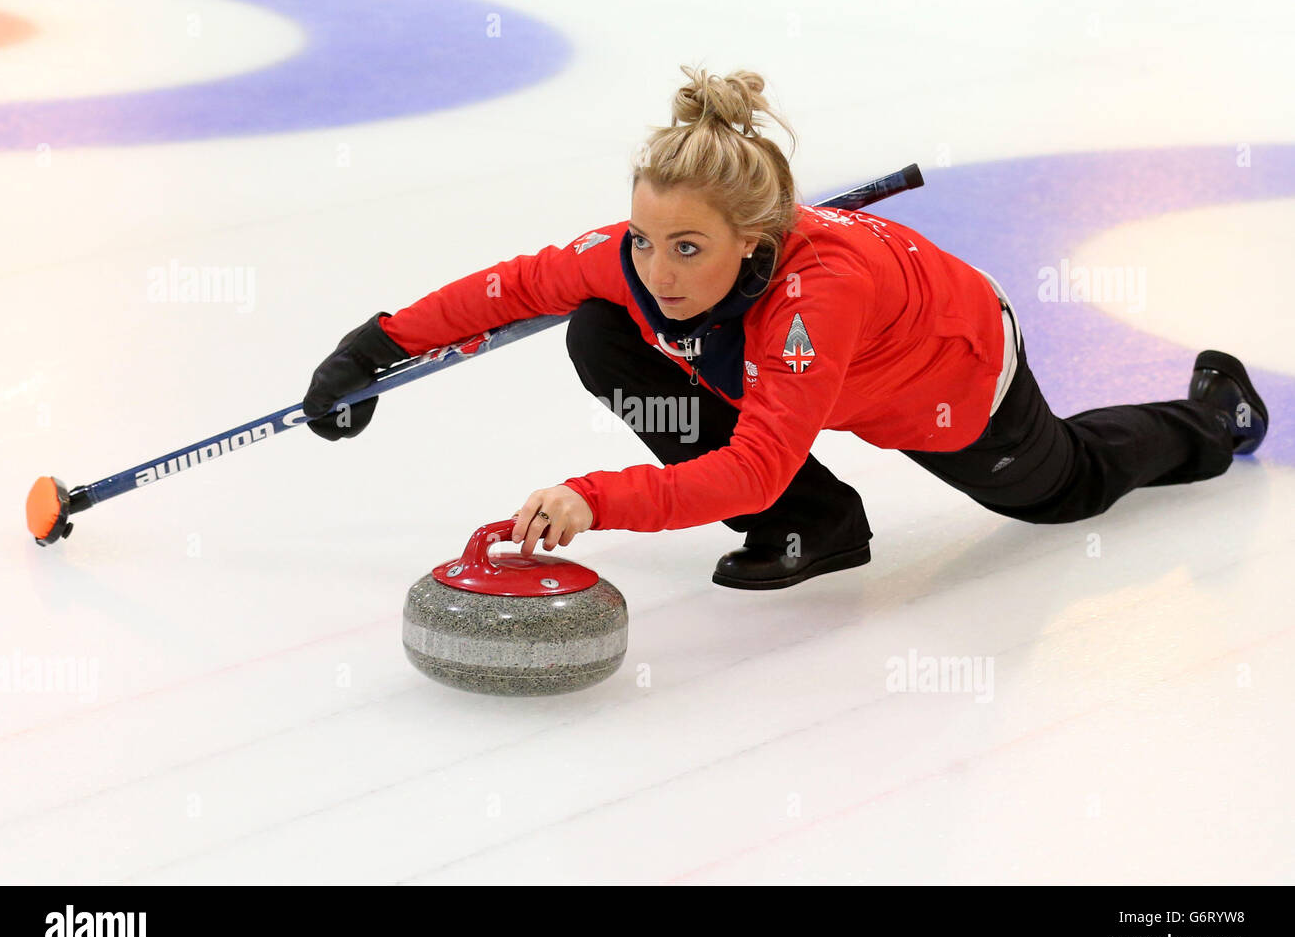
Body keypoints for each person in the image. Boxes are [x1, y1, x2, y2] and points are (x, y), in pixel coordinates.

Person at [302, 66, 1268, 591]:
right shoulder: (639, 261)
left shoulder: (819, 297)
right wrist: (370, 351)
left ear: (755, 239)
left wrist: (595, 498)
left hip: (941, 376)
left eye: (688, 249)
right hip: (790, 370)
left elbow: (759, 455)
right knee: (601, 329)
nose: (656, 269)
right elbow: (509, 289)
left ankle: (1210, 422)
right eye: (645, 239)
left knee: (1062, 493)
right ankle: (816, 528)